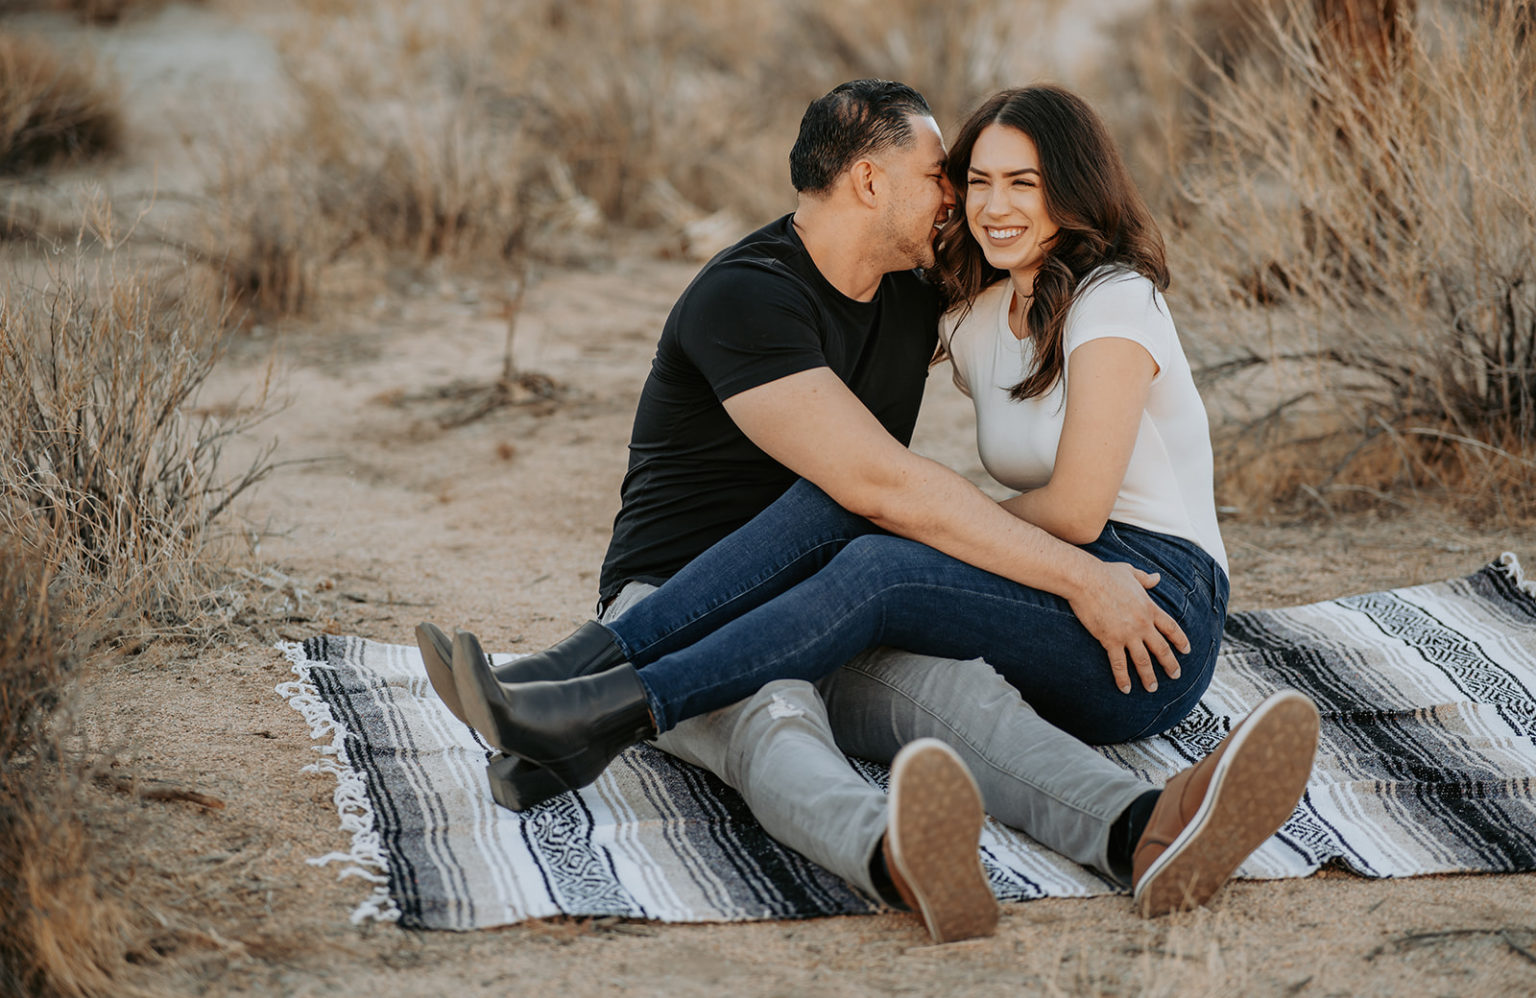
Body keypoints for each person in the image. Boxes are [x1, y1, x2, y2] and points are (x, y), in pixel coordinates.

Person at [421, 82, 1318, 940]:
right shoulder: (747, 294)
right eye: (951, 179)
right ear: (869, 180)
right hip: (673, 600)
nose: (961, 204)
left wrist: (1004, 547)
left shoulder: (925, 294)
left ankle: (1142, 827)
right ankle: (888, 853)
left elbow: (947, 468)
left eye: (1006, 183)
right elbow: (881, 491)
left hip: (834, 593)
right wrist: (1073, 572)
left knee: (963, 696)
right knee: (777, 720)